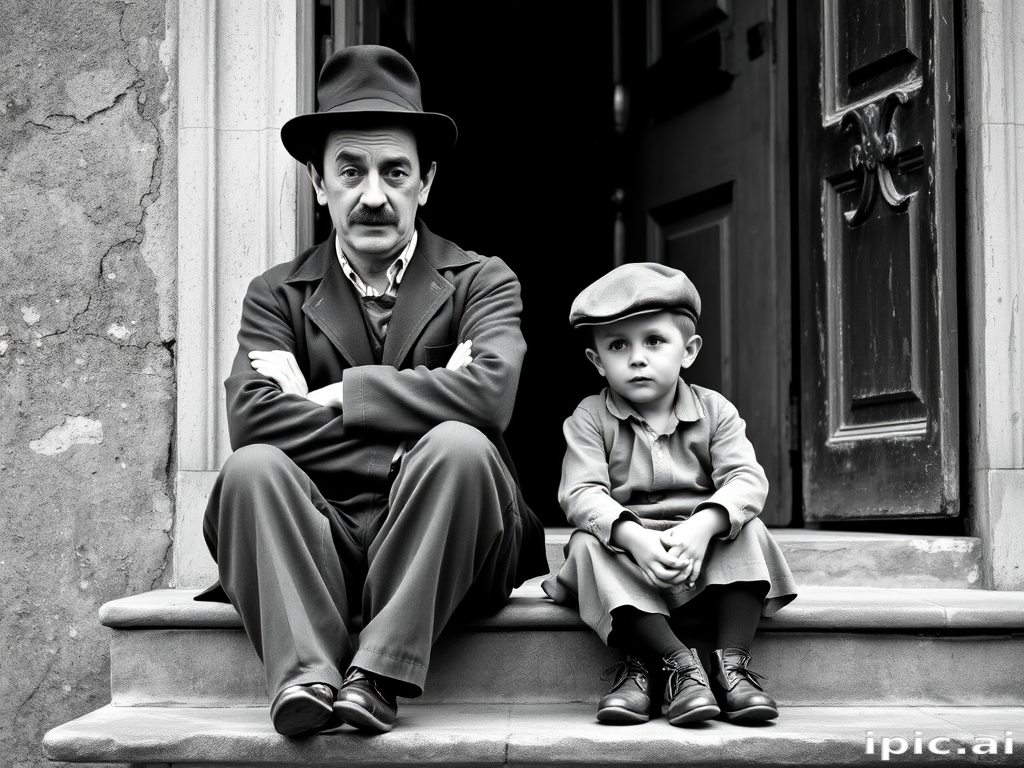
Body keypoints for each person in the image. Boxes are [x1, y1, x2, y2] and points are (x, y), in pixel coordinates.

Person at [197, 45, 548, 737]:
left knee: (460, 448)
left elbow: (489, 399)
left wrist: (335, 396)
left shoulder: (482, 280)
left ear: (427, 181)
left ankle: (378, 676)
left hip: (449, 534)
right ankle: (306, 678)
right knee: (251, 469)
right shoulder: (275, 294)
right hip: (320, 535)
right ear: (318, 182)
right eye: (351, 171)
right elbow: (253, 422)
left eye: (395, 172)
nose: (374, 196)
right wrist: (410, 431)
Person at [541, 262, 797, 726]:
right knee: (584, 545)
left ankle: (731, 667)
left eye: (654, 341)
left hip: (697, 549)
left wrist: (704, 527)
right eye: (618, 345)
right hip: (628, 551)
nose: (637, 358)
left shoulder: (715, 410)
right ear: (597, 361)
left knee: (750, 529)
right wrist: (634, 539)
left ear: (689, 350)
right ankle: (673, 664)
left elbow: (746, 479)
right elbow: (581, 492)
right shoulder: (589, 416)